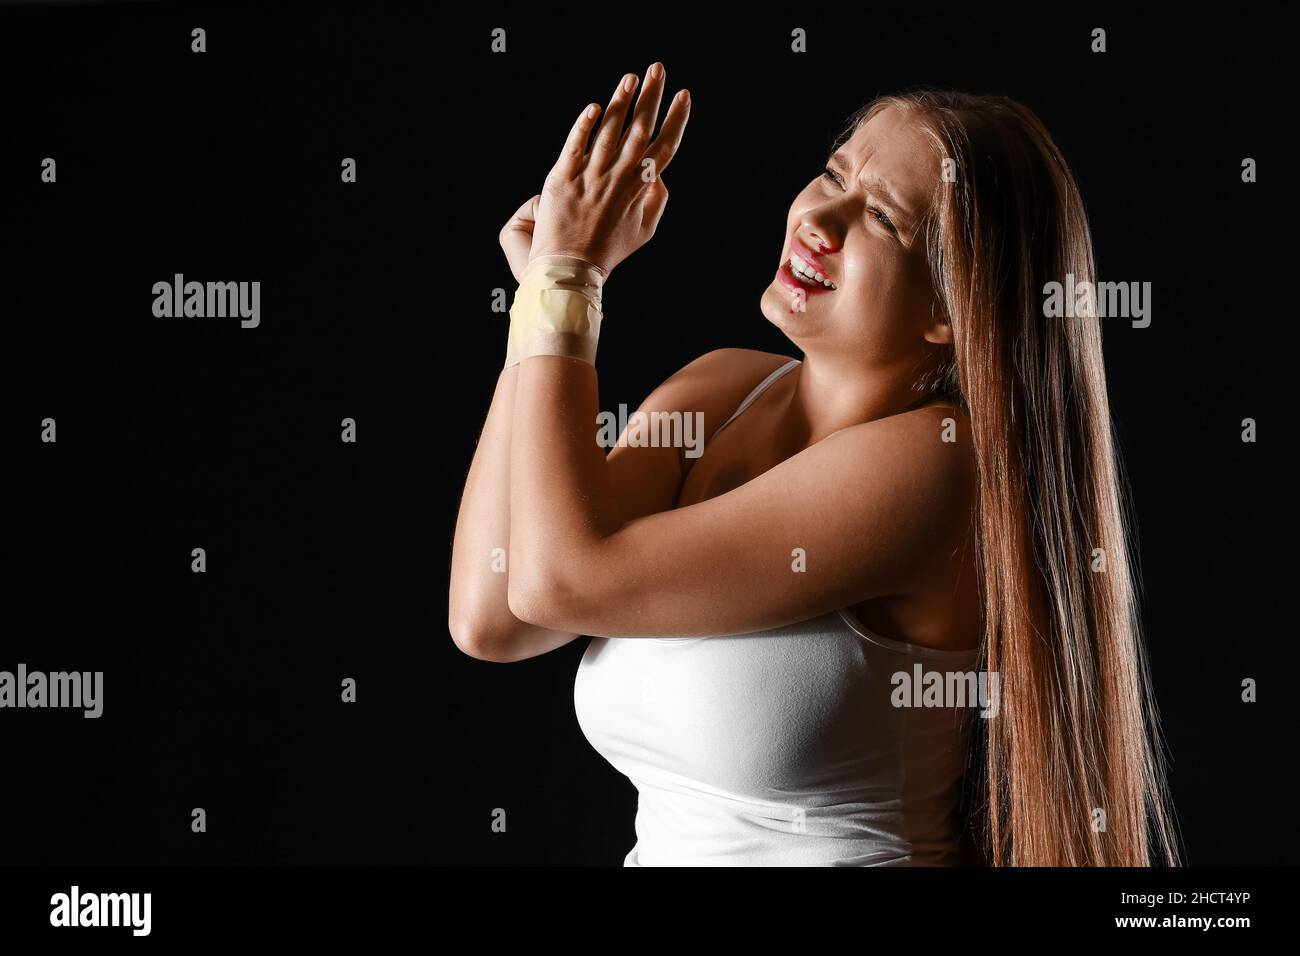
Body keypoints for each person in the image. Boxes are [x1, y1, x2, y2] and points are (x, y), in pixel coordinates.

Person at [449, 62, 1181, 866]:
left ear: (950, 307)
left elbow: (563, 578)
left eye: (881, 217)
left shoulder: (939, 465)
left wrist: (572, 276)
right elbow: (499, 612)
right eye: (834, 172)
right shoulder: (720, 388)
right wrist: (540, 299)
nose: (819, 217)